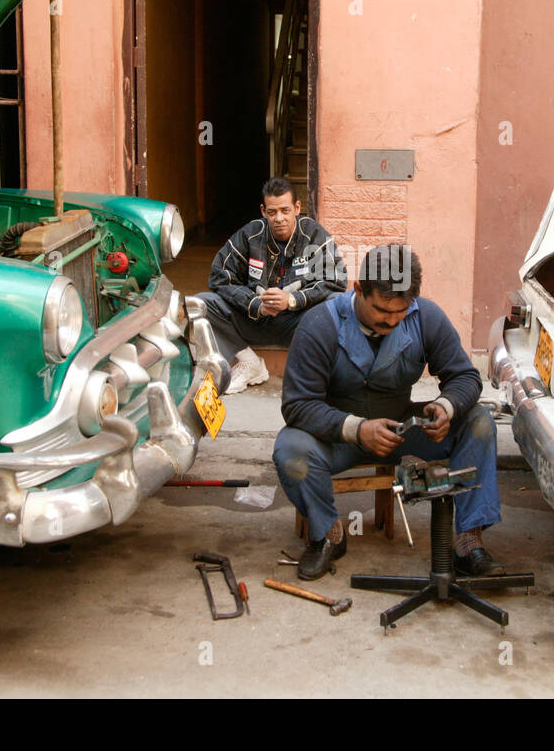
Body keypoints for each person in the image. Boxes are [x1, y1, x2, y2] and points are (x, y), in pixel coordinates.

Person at [272, 243, 505, 580]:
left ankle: (468, 542)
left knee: (479, 422)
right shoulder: (319, 325)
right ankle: (328, 536)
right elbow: (297, 405)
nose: (392, 321)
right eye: (382, 310)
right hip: (336, 438)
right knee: (291, 450)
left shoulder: (425, 317)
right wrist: (357, 428)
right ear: (358, 290)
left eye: (401, 311)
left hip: (401, 431)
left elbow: (465, 377)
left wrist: (445, 406)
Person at [197, 177, 347, 393]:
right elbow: (219, 277)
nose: (279, 219)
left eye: (285, 211)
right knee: (203, 303)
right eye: (272, 212)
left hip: (298, 324)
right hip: (254, 319)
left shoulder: (313, 234)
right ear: (263, 211)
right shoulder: (251, 234)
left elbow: (336, 281)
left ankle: (319, 370)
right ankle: (249, 363)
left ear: (297, 208)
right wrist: (255, 304)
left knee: (338, 304)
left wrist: (292, 300)